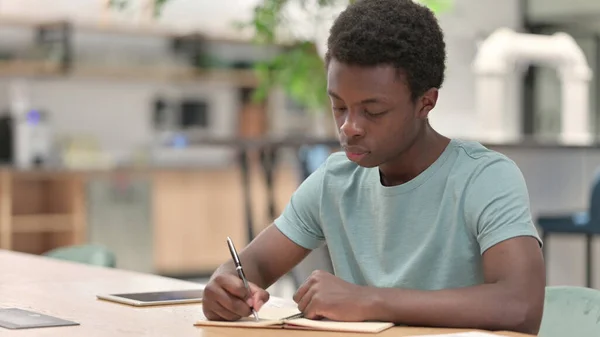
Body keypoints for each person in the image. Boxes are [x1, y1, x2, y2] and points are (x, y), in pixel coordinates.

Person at [201, 0, 545, 334]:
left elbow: (520, 305)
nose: (349, 126)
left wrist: (370, 300)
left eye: (373, 111)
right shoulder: (334, 182)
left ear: (425, 102)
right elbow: (252, 266)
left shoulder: (484, 178)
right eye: (339, 107)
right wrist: (226, 286)